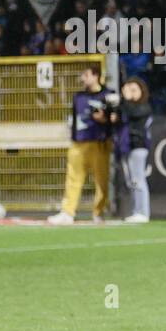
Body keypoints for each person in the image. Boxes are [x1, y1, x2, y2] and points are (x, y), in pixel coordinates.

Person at [47, 66, 114, 225]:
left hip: (99, 142)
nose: (83, 78)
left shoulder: (108, 95)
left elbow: (114, 119)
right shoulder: (79, 96)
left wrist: (104, 120)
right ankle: (68, 212)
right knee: (72, 178)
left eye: (86, 75)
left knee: (101, 180)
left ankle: (98, 212)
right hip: (79, 142)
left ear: (96, 76)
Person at [116, 77, 153, 223]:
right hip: (127, 146)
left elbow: (133, 112)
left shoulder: (144, 107)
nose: (130, 93)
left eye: (134, 90)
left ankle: (142, 212)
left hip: (138, 145)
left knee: (138, 180)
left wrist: (125, 98)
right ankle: (137, 210)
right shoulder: (127, 107)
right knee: (131, 181)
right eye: (128, 90)